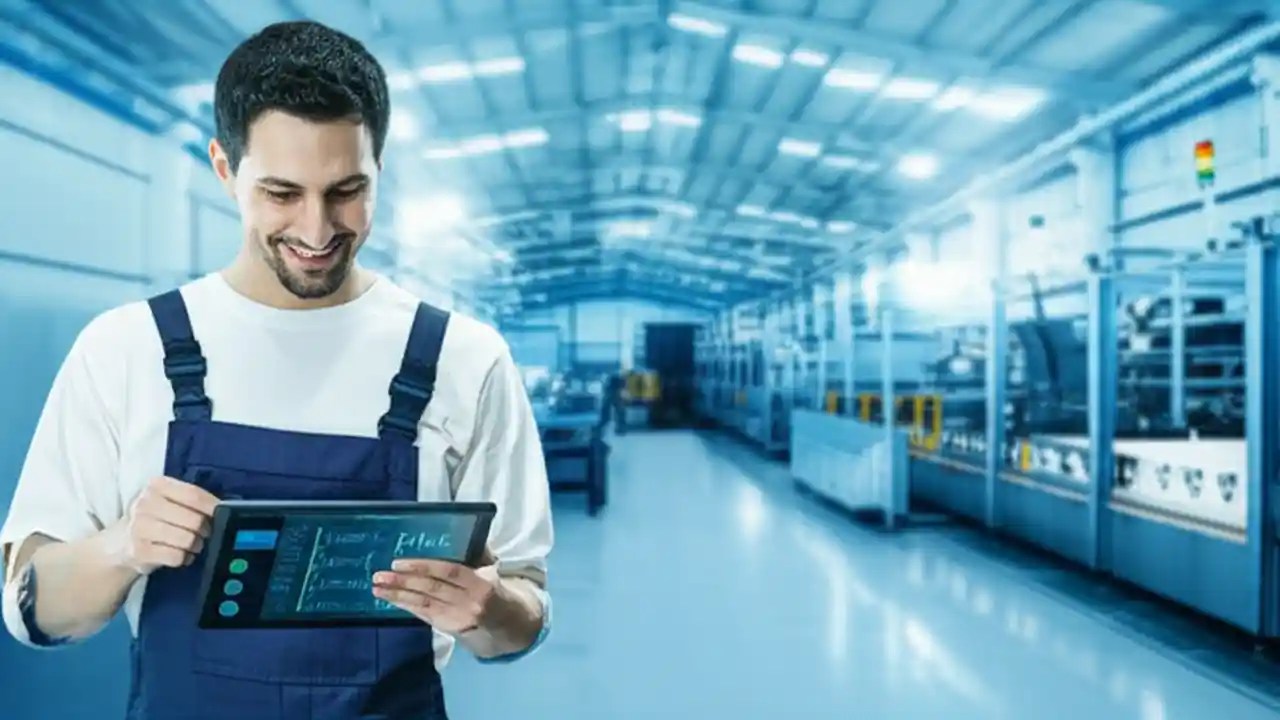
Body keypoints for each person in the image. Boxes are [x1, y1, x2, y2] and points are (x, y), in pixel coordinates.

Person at [0, 19, 552, 720]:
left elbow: (522, 615)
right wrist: (121, 548)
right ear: (225, 170)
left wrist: (489, 607)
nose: (317, 231)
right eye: (282, 194)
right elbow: (32, 611)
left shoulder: (463, 360)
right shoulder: (126, 350)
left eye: (346, 190)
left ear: (380, 170)